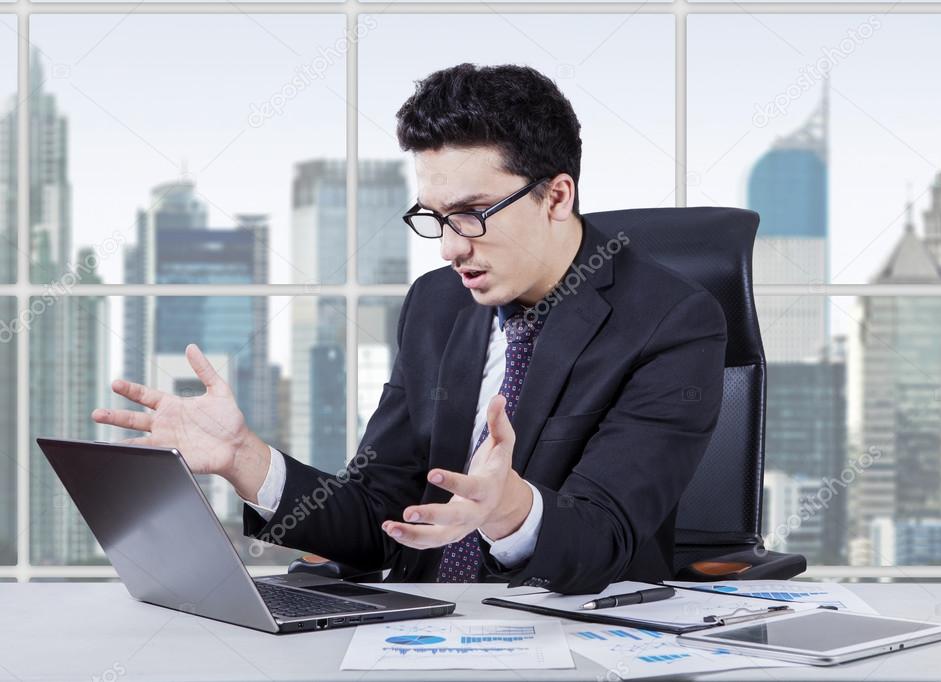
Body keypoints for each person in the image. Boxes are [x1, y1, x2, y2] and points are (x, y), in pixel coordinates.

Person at [92, 63, 727, 595]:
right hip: (421, 622)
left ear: (556, 196)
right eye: (435, 218)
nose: (451, 248)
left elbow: (606, 540)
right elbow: (377, 515)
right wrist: (246, 461)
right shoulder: (436, 304)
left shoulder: (671, 321)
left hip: (568, 635)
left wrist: (509, 510)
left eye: (473, 214)